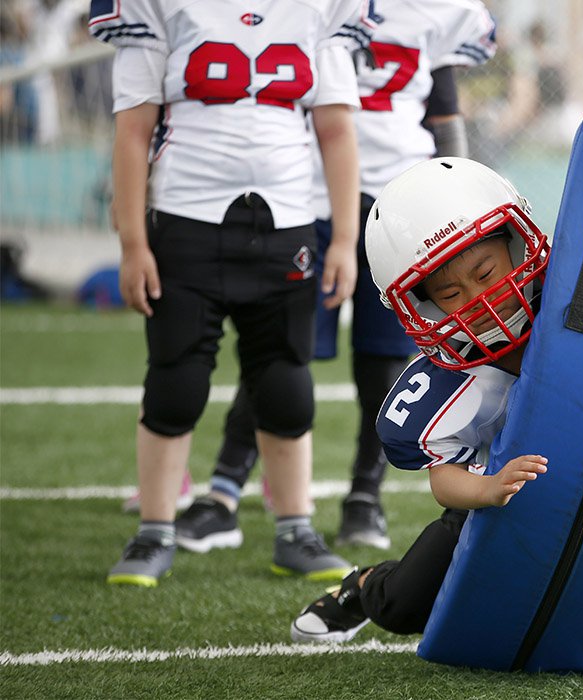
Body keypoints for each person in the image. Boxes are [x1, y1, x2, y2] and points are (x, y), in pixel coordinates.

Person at [286, 157, 583, 673]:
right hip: (495, 508)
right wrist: (487, 489)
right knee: (406, 605)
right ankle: (363, 587)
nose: (479, 300)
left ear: (517, 243)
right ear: (425, 307)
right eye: (451, 293)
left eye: (485, 272)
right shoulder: (453, 380)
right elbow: (445, 481)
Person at [168, 0, 498, 555]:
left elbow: (443, 113)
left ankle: (364, 496)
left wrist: (460, 193)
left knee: (387, 363)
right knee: (278, 352)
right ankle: (224, 489)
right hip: (309, 199)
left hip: (411, 207)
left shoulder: (445, 11)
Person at [92, 0, 375, 586]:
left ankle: (295, 529)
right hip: (185, 214)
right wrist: (132, 242)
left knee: (286, 381)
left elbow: (337, 129)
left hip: (288, 221)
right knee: (176, 380)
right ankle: (154, 531)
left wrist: (345, 238)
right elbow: (132, 130)